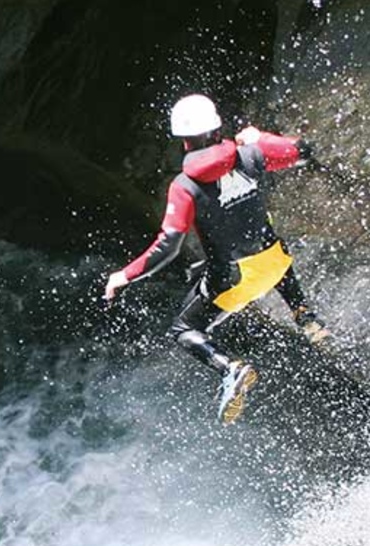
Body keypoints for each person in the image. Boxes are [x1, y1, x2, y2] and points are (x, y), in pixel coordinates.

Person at [102, 92, 334, 423]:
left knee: (184, 329)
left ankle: (231, 368)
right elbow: (303, 151)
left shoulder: (184, 186)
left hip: (236, 278)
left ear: (183, 141)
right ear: (216, 127)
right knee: (265, 245)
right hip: (277, 262)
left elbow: (168, 247)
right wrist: (261, 137)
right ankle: (306, 317)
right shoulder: (252, 153)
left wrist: (123, 276)